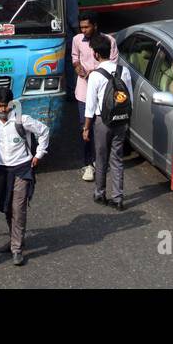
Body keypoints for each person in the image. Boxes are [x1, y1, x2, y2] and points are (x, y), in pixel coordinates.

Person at [0, 87, 50, 267]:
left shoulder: (23, 120)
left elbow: (44, 131)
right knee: (7, 207)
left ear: (11, 104)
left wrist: (38, 154)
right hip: (2, 171)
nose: (3, 110)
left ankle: (17, 249)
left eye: (6, 106)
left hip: (22, 170)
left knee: (18, 209)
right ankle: (14, 239)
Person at [83, 33, 134, 209]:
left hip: (102, 122)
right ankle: (118, 198)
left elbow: (90, 106)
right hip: (121, 120)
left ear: (96, 54)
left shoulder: (96, 75)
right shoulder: (124, 71)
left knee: (101, 157)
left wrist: (86, 128)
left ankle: (100, 194)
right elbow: (130, 99)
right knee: (117, 159)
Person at [69, 14, 115, 181]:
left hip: (104, 94)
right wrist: (79, 69)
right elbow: (75, 58)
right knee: (85, 129)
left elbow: (113, 64)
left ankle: (101, 161)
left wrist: (94, 73)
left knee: (103, 128)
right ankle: (88, 163)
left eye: (86, 27)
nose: (84, 30)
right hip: (83, 92)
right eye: (81, 27)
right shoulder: (77, 40)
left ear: (95, 25)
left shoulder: (109, 41)